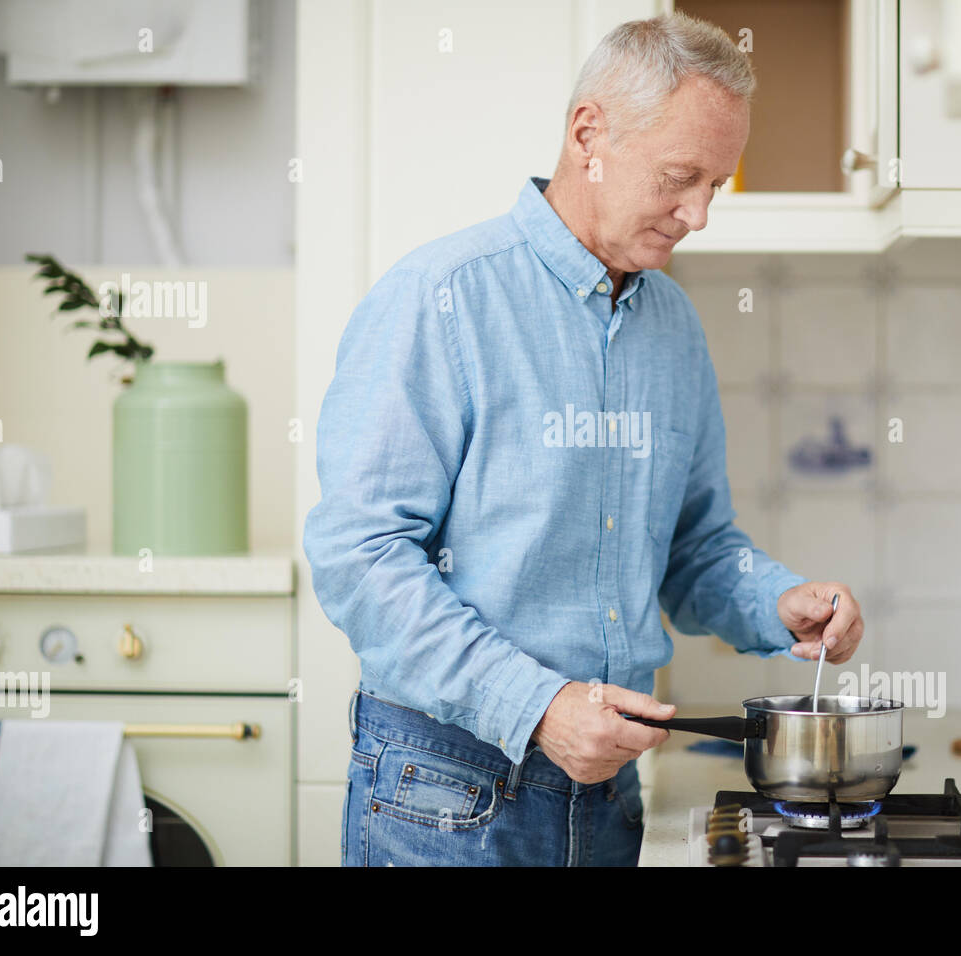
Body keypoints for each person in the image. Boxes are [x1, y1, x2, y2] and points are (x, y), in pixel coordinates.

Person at [304, 11, 864, 867]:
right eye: (682, 176)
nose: (700, 214)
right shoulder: (439, 298)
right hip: (442, 789)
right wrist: (534, 705)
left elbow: (694, 546)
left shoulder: (674, 326)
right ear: (587, 133)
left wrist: (773, 600)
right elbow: (360, 556)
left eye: (717, 184)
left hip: (608, 794)